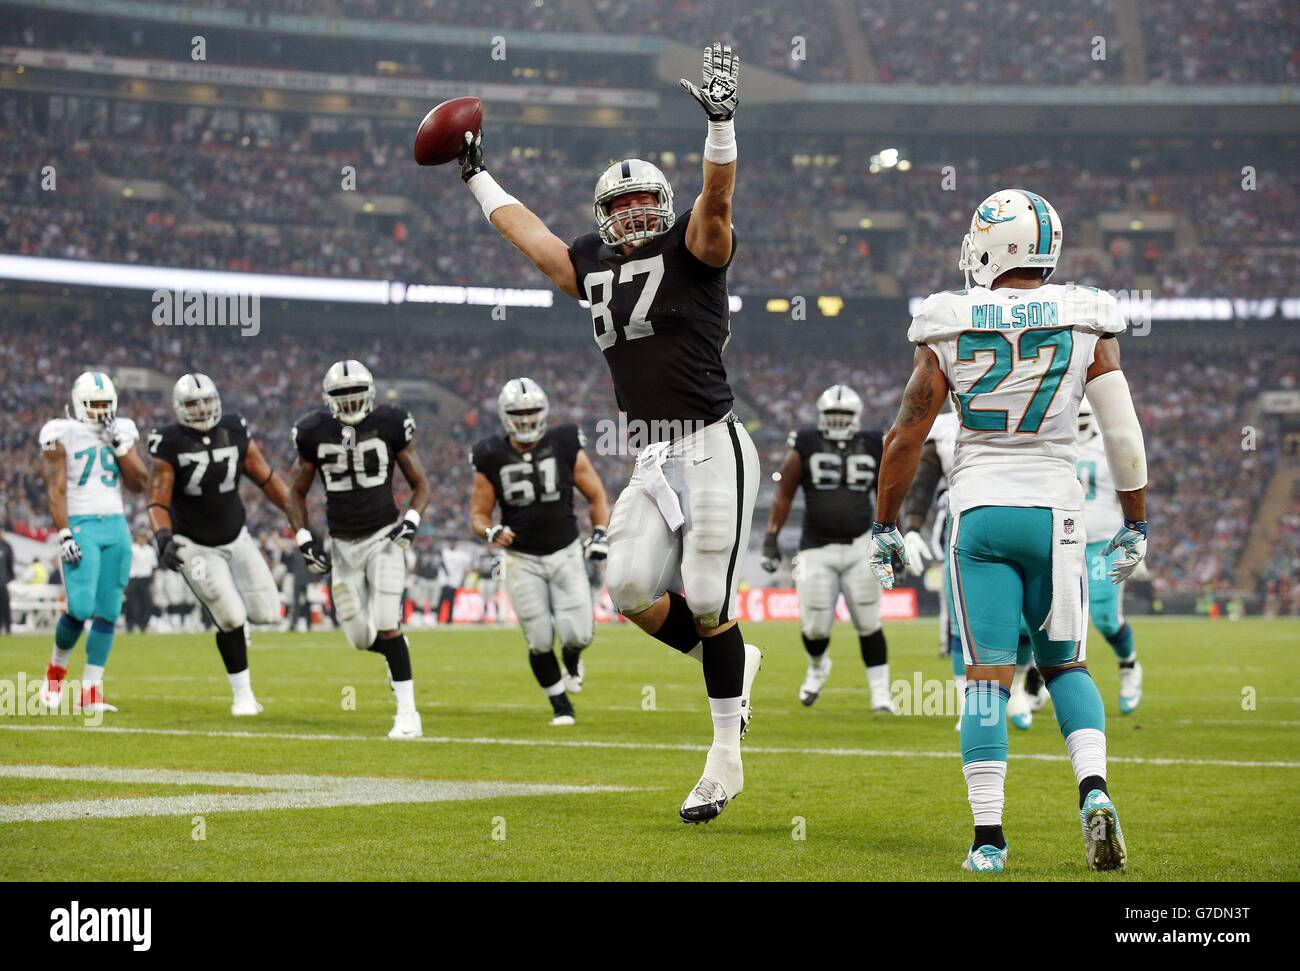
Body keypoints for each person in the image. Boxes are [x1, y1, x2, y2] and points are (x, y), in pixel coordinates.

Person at [452, 44, 762, 822]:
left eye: (641, 201)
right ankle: (732, 661)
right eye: (618, 206)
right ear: (603, 215)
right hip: (653, 452)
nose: (631, 213)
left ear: (661, 202)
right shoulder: (589, 264)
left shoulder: (695, 247)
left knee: (711, 593)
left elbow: (716, 204)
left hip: (714, 441)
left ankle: (724, 761)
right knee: (627, 587)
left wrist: (721, 128)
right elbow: (530, 239)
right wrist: (476, 176)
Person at [869, 189, 1149, 874]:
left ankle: (989, 839)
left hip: (982, 511)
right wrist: (1137, 519)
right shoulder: (1087, 315)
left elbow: (906, 435)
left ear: (997, 244)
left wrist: (884, 522)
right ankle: (1094, 793)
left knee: (986, 677)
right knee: (1066, 665)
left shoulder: (949, 318)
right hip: (1056, 513)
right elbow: (1120, 430)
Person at [288, 360, 431, 739]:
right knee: (360, 638)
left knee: (385, 623)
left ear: (369, 394)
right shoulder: (313, 431)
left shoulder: (388, 423)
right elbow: (296, 492)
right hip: (341, 545)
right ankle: (396, 649)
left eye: (356, 394)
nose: (350, 402)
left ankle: (407, 714)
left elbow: (421, 484)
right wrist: (305, 539)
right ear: (328, 398)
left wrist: (412, 521)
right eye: (341, 395)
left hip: (384, 538)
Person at [147, 374, 290, 715]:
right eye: (193, 403)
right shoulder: (169, 441)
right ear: (180, 408)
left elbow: (266, 477)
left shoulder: (235, 429)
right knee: (230, 618)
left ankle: (240, 627)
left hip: (237, 537)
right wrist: (163, 538)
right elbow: (157, 500)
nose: (202, 409)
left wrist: (297, 515)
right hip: (194, 544)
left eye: (206, 401)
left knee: (268, 613)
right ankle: (242, 695)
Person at [469, 378, 610, 725]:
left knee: (578, 633)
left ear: (544, 411)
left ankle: (573, 656)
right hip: (521, 558)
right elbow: (478, 514)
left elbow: (596, 495)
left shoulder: (564, 442)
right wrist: (491, 530)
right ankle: (561, 706)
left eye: (532, 411)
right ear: (505, 416)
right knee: (539, 637)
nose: (527, 419)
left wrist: (600, 533)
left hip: (565, 551)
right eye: (519, 413)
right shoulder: (490, 454)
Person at [761, 384, 897, 712]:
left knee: (868, 621)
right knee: (815, 625)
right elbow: (785, 493)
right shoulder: (806, 442)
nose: (837, 421)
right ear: (821, 415)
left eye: (843, 415)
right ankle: (818, 667)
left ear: (856, 416)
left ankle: (881, 694)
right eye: (831, 415)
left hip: (860, 545)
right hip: (814, 549)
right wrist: (770, 538)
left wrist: (893, 536)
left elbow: (889, 492)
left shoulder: (872, 442)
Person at [38, 371, 148, 713]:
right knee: (81, 607)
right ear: (79, 404)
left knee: (109, 610)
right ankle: (55, 674)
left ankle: (90, 691)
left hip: (115, 525)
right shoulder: (61, 432)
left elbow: (139, 482)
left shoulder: (122, 428)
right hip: (83, 523)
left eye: (106, 405)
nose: (101, 411)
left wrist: (119, 444)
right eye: (94, 405)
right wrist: (64, 531)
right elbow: (56, 488)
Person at [124, 531, 157, 633]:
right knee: (133, 602)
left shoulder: (150, 550)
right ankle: (132, 623)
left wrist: (152, 578)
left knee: (146, 602)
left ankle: (144, 623)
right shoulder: (132, 548)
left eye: (144, 537)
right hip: (133, 578)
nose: (142, 539)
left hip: (145, 578)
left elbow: (153, 566)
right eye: (140, 537)